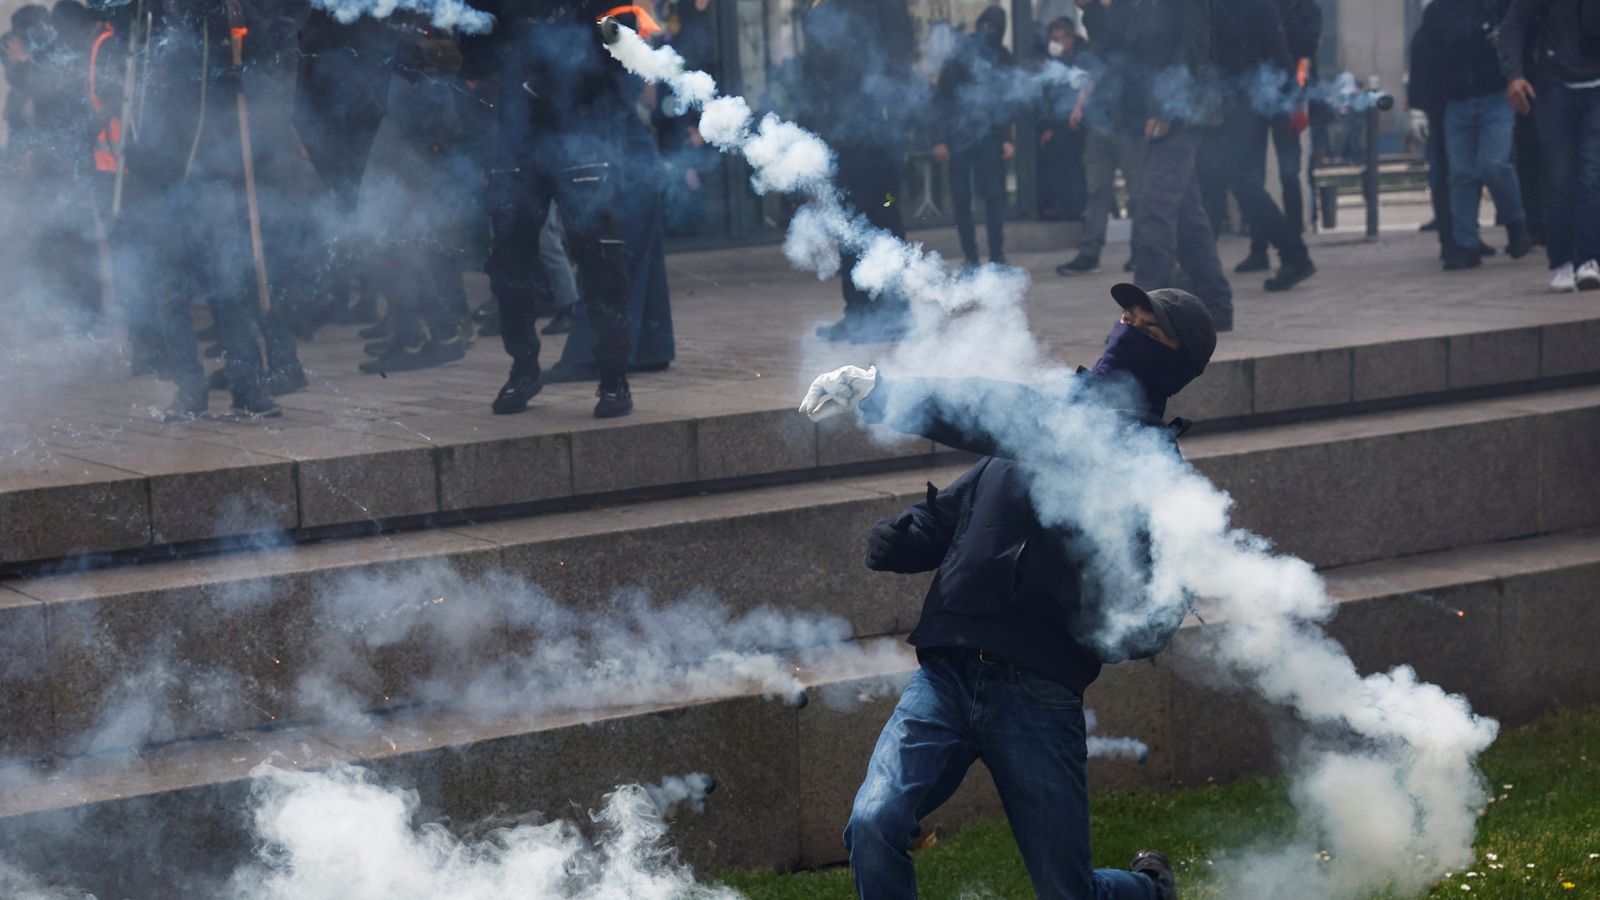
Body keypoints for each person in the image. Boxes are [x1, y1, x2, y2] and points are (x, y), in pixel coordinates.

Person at [797, 282, 1216, 900]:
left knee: (1067, 890)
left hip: (1038, 691)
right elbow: (965, 507)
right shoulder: (1053, 413)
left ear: (1174, 363)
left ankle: (1149, 891)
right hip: (948, 670)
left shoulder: (1147, 462)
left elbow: (1161, 601)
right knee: (873, 825)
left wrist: (883, 392)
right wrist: (906, 538)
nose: (1126, 329)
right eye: (1125, 316)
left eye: (1147, 329)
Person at [461, 0, 642, 418]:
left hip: (581, 136)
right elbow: (473, 55)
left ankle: (614, 378)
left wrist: (580, 94)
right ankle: (523, 367)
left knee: (599, 257)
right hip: (517, 139)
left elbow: (622, 49)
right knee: (509, 262)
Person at [1089, 0, 1233, 329]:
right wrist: (1093, 10)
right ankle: (1216, 303)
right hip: (1146, 115)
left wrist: (1166, 110)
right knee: (1186, 214)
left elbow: (1192, 47)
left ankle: (1144, 312)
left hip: (1179, 113)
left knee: (1154, 206)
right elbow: (1115, 49)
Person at [801, 0, 915, 343]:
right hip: (870, 132)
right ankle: (880, 312)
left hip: (862, 134)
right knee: (879, 214)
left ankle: (874, 313)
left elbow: (822, 61)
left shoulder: (843, 8)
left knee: (864, 215)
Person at [1419, 0, 1533, 271]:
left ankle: (1516, 223)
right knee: (1461, 174)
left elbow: (1516, 39)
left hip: (1495, 95)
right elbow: (1425, 57)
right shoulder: (1439, 11)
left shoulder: (1497, 7)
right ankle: (1466, 243)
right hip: (1456, 100)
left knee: (1493, 164)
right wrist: (1424, 104)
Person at [1211, 0, 1316, 291]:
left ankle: (1292, 253)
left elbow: (1279, 51)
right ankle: (1275, 253)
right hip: (1232, 100)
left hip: (1243, 101)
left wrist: (1293, 103)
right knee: (1236, 180)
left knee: (1242, 180)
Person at [1498, 0, 1600, 291]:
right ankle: (1562, 260)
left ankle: (1589, 258)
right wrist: (1514, 74)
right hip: (1555, 86)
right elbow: (1513, 24)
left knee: (1591, 176)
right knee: (1559, 179)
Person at [1055, 0, 1142, 277]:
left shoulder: (1128, 15)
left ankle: (1141, 251)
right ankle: (1090, 252)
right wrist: (1081, 104)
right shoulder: (1094, 22)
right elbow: (1095, 69)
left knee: (1138, 191)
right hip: (1100, 121)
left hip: (1128, 121)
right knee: (1096, 190)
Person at [931, 6, 1015, 268]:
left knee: (993, 197)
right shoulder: (959, 55)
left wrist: (1005, 137)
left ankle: (997, 255)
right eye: (985, 25)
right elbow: (940, 101)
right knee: (961, 199)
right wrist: (939, 139)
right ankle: (971, 256)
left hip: (989, 136)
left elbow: (1006, 100)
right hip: (958, 137)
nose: (987, 31)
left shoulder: (1002, 57)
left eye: (994, 27)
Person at [1036, 18, 1089, 223]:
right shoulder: (1052, 64)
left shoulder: (1082, 60)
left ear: (1070, 39)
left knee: (1076, 170)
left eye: (1058, 38)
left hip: (1076, 126)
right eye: (1051, 38)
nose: (1054, 43)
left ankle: (1075, 209)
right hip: (1058, 125)